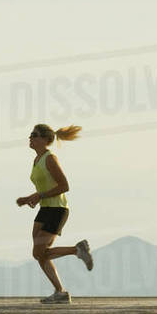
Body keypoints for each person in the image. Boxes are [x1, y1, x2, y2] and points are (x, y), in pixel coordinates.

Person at [15, 123, 94, 304]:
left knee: (40, 251)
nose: (30, 138)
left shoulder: (50, 158)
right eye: (30, 135)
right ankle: (60, 292)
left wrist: (38, 195)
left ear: (44, 139)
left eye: (34, 135)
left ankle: (77, 250)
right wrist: (30, 198)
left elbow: (64, 186)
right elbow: (44, 188)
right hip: (46, 208)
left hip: (57, 209)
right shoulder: (37, 160)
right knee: (38, 253)